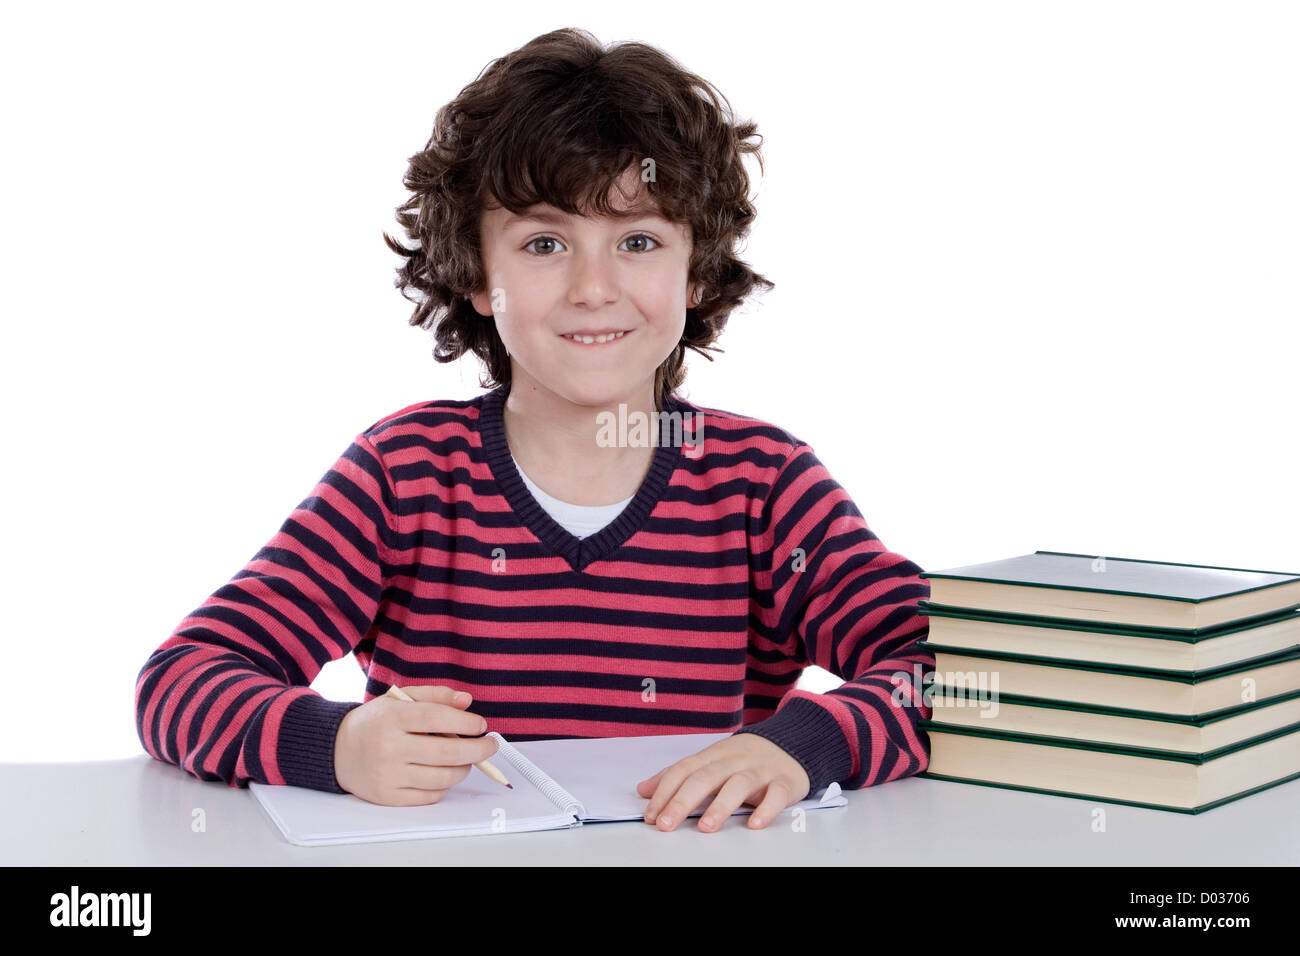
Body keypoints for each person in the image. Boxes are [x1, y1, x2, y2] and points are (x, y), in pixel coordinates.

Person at [134, 27, 934, 834]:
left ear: (695, 272)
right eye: (545, 243)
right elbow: (181, 681)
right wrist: (336, 743)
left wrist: (800, 746)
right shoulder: (405, 475)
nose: (594, 287)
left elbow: (965, 676)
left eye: (640, 241)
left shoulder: (763, 485)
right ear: (479, 275)